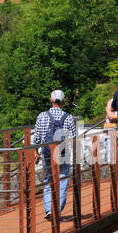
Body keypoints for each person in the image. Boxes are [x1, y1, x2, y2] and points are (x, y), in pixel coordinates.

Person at [32, 90, 77, 219]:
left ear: (50, 100)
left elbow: (37, 137)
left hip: (47, 152)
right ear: (63, 101)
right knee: (62, 181)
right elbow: (73, 138)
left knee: (48, 180)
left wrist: (36, 152)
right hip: (63, 153)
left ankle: (49, 211)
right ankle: (57, 210)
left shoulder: (42, 116)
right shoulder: (68, 117)